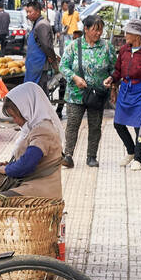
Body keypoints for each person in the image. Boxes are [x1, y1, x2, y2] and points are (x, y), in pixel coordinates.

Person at [0, 83, 63, 254]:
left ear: (26, 109)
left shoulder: (43, 130)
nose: (16, 120)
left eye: (15, 116)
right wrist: (10, 165)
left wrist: (6, 170)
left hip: (41, 190)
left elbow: (27, 164)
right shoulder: (35, 127)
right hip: (30, 185)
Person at [104, 18, 141, 171]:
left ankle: (138, 158)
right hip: (126, 89)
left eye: (128, 32)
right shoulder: (124, 50)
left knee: (139, 127)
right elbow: (118, 70)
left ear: (137, 36)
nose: (125, 35)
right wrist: (112, 79)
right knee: (118, 123)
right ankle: (130, 151)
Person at [60, 13, 114, 169]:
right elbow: (63, 66)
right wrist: (74, 77)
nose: (98, 33)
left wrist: (110, 79)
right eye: (95, 29)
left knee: (95, 125)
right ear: (86, 29)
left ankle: (92, 156)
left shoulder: (106, 47)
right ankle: (68, 155)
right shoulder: (74, 46)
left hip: (97, 94)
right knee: (72, 124)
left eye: (100, 30)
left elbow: (114, 68)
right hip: (75, 94)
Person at [23, 0, 58, 93]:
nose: (28, 15)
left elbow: (47, 46)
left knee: (39, 92)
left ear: (38, 12)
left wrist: (53, 59)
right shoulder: (36, 24)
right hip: (34, 65)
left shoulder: (42, 25)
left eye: (30, 12)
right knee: (32, 92)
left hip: (39, 66)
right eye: (27, 12)